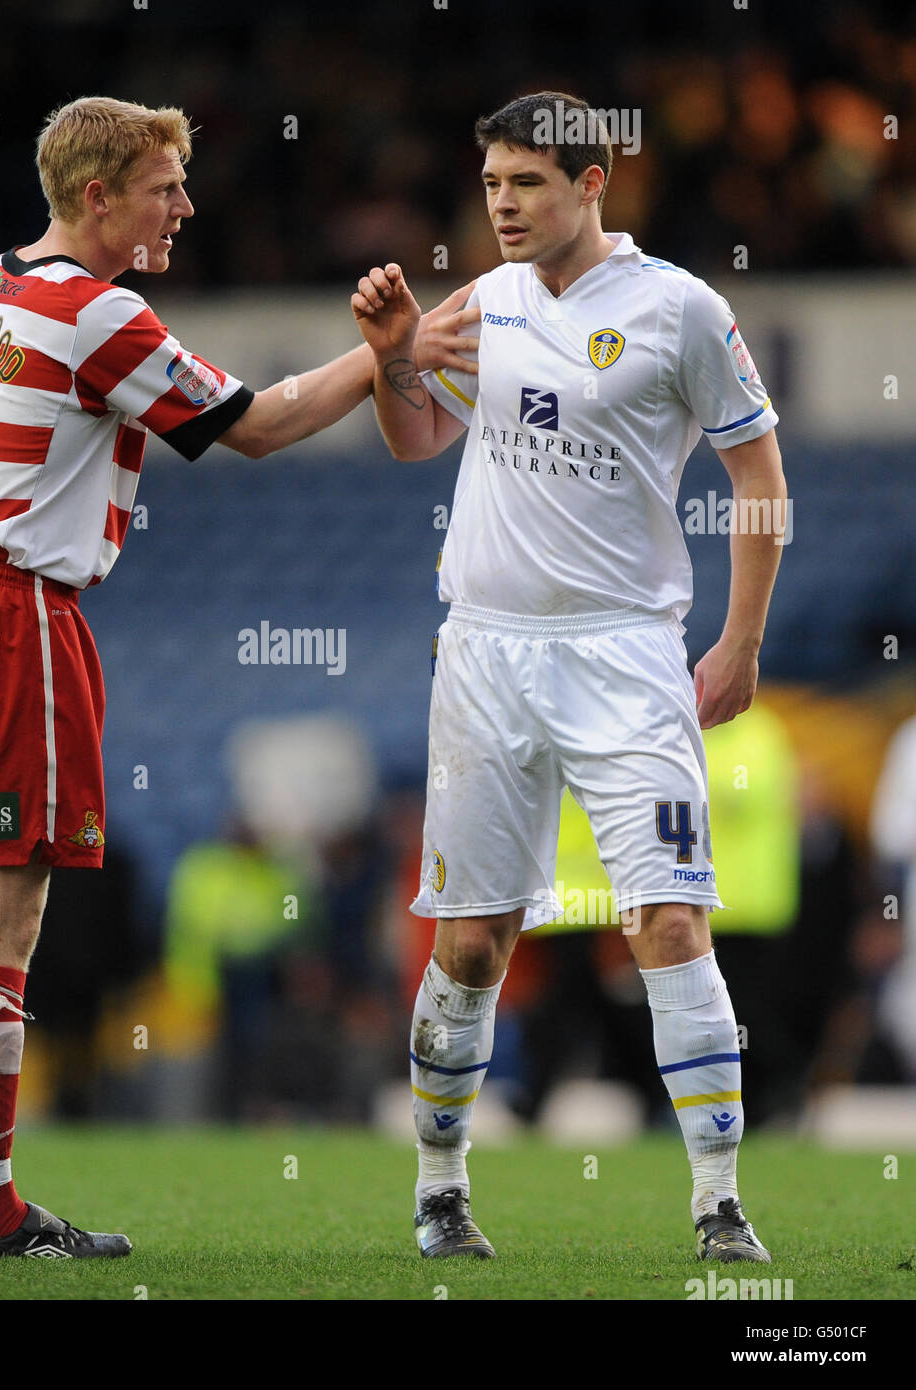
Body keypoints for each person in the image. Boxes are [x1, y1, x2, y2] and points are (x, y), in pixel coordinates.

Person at [0, 94, 477, 1261]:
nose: (183, 204)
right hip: (9, 618)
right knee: (3, 919)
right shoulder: (98, 313)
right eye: (164, 185)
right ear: (97, 198)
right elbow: (262, 425)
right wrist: (386, 353)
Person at [352, 91, 786, 1262]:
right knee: (473, 944)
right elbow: (415, 442)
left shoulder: (679, 309)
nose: (502, 204)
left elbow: (758, 472)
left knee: (665, 920)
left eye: (527, 182)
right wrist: (396, 359)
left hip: (627, 653)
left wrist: (740, 638)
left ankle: (716, 1203)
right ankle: (441, 1188)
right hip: (484, 651)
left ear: (593, 183)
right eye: (492, 183)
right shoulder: (480, 304)